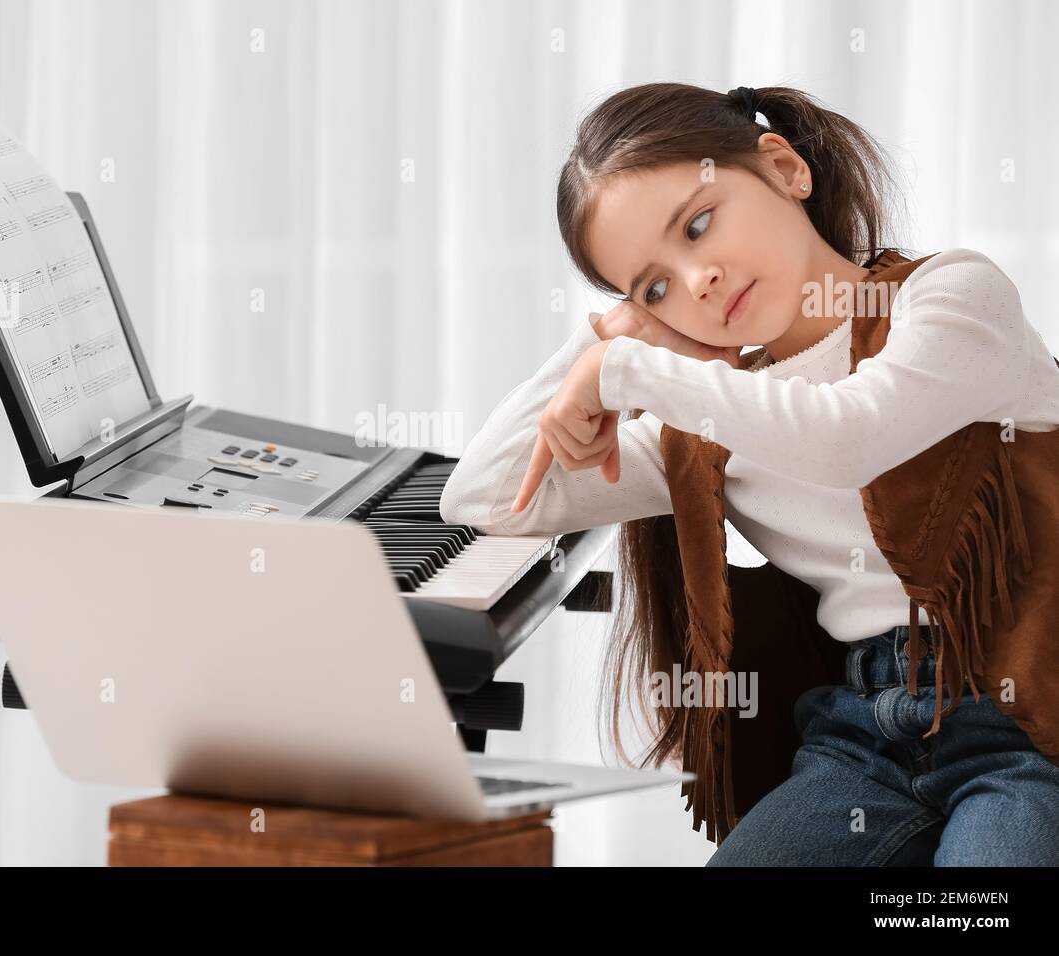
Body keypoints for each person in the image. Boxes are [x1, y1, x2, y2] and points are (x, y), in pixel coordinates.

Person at [439, 82, 1059, 865]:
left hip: (1028, 725)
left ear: (783, 167)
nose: (696, 280)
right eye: (656, 285)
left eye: (698, 225)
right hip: (865, 735)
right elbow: (488, 496)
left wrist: (623, 370)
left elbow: (849, 436)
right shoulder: (709, 422)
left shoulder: (952, 298)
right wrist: (601, 341)